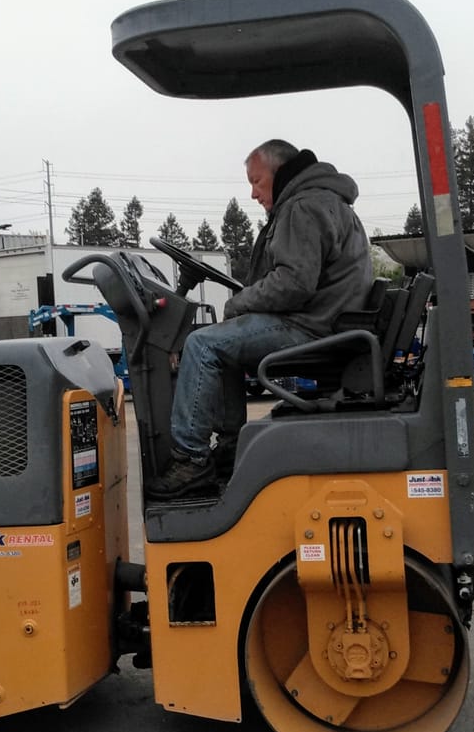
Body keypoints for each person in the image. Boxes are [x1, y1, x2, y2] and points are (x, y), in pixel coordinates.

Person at [147, 139, 373, 499]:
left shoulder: (303, 206)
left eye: (256, 181)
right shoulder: (323, 201)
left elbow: (294, 283)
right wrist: (246, 301)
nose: (253, 193)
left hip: (312, 328)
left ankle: (190, 458)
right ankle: (229, 449)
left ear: (279, 171)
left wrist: (240, 302)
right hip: (328, 322)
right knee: (223, 341)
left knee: (202, 344)